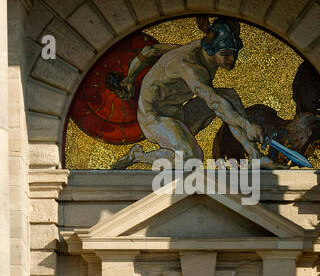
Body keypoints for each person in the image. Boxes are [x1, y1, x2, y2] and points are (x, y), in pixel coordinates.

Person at [106, 16, 264, 169]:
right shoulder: (190, 67)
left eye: (234, 53)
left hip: (179, 115)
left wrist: (129, 79)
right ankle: (138, 156)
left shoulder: (192, 49)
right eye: (225, 54)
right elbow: (214, 102)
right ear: (211, 50)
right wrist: (247, 125)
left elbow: (149, 51)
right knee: (191, 159)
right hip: (154, 119)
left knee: (229, 96)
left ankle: (256, 156)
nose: (232, 60)